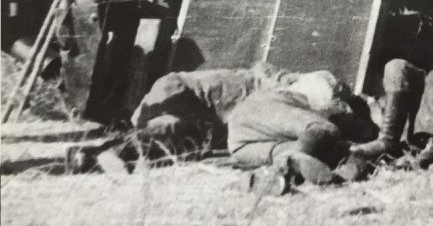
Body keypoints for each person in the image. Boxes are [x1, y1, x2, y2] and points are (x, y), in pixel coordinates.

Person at [66, 67, 281, 174]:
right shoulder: (262, 85)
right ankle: (106, 154)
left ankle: (95, 155)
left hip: (199, 107)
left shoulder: (258, 82)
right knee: (172, 131)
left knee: (173, 136)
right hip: (190, 98)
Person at [227, 70, 378, 188]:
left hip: (244, 144)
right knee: (324, 129)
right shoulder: (322, 83)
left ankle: (272, 177)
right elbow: (324, 107)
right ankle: (281, 169)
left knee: (306, 151)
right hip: (260, 109)